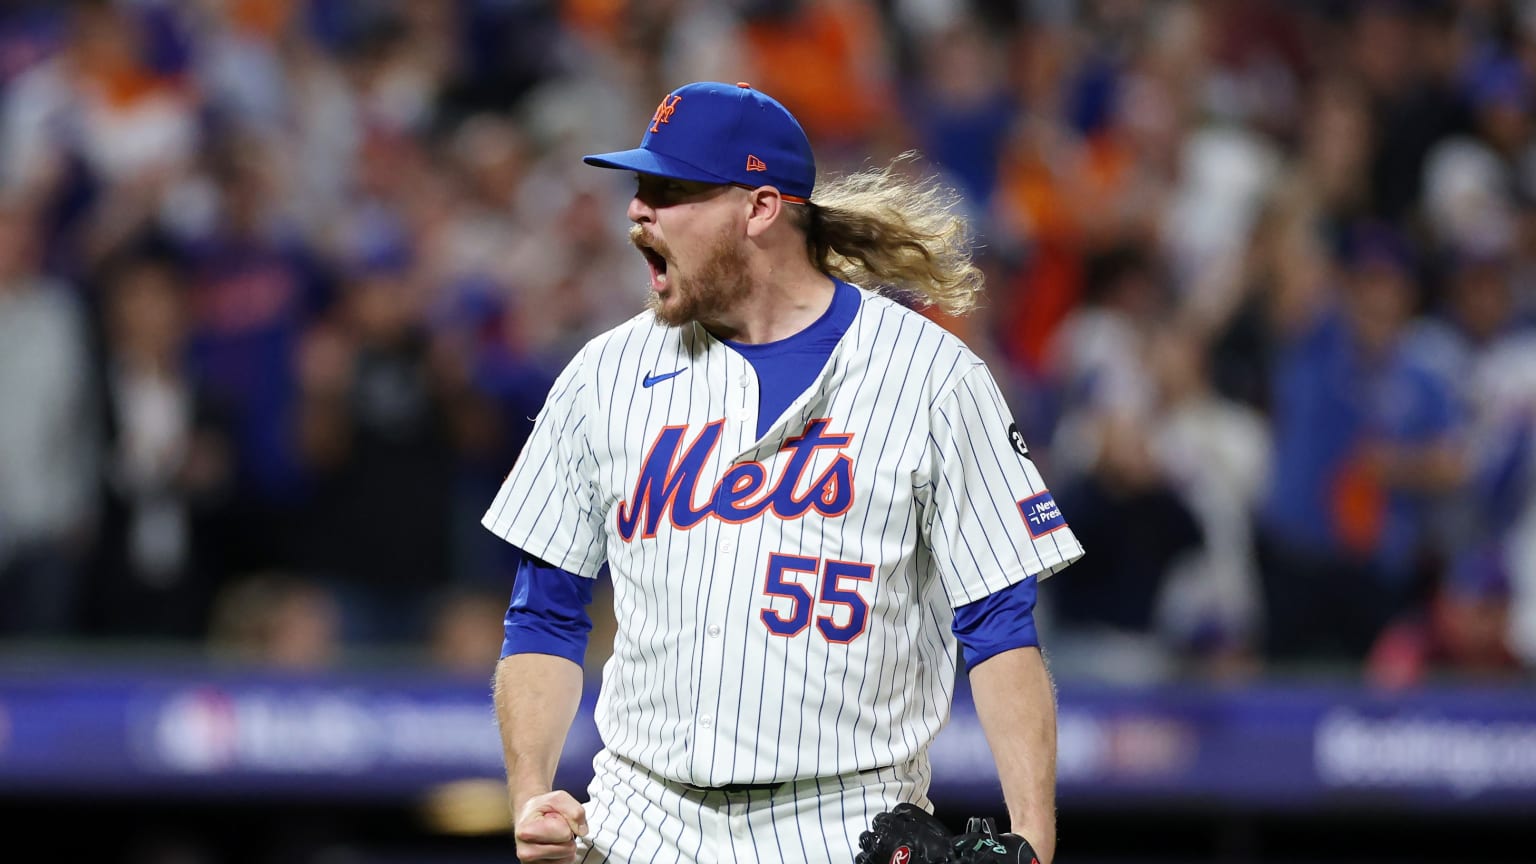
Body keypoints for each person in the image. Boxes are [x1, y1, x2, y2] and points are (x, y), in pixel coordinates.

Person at [483, 81, 1084, 864]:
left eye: (669, 190)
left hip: (845, 825)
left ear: (761, 209)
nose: (638, 210)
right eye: (640, 189)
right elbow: (545, 614)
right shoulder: (604, 375)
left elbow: (1000, 626)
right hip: (639, 824)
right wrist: (531, 793)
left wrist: (1033, 839)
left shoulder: (929, 374)